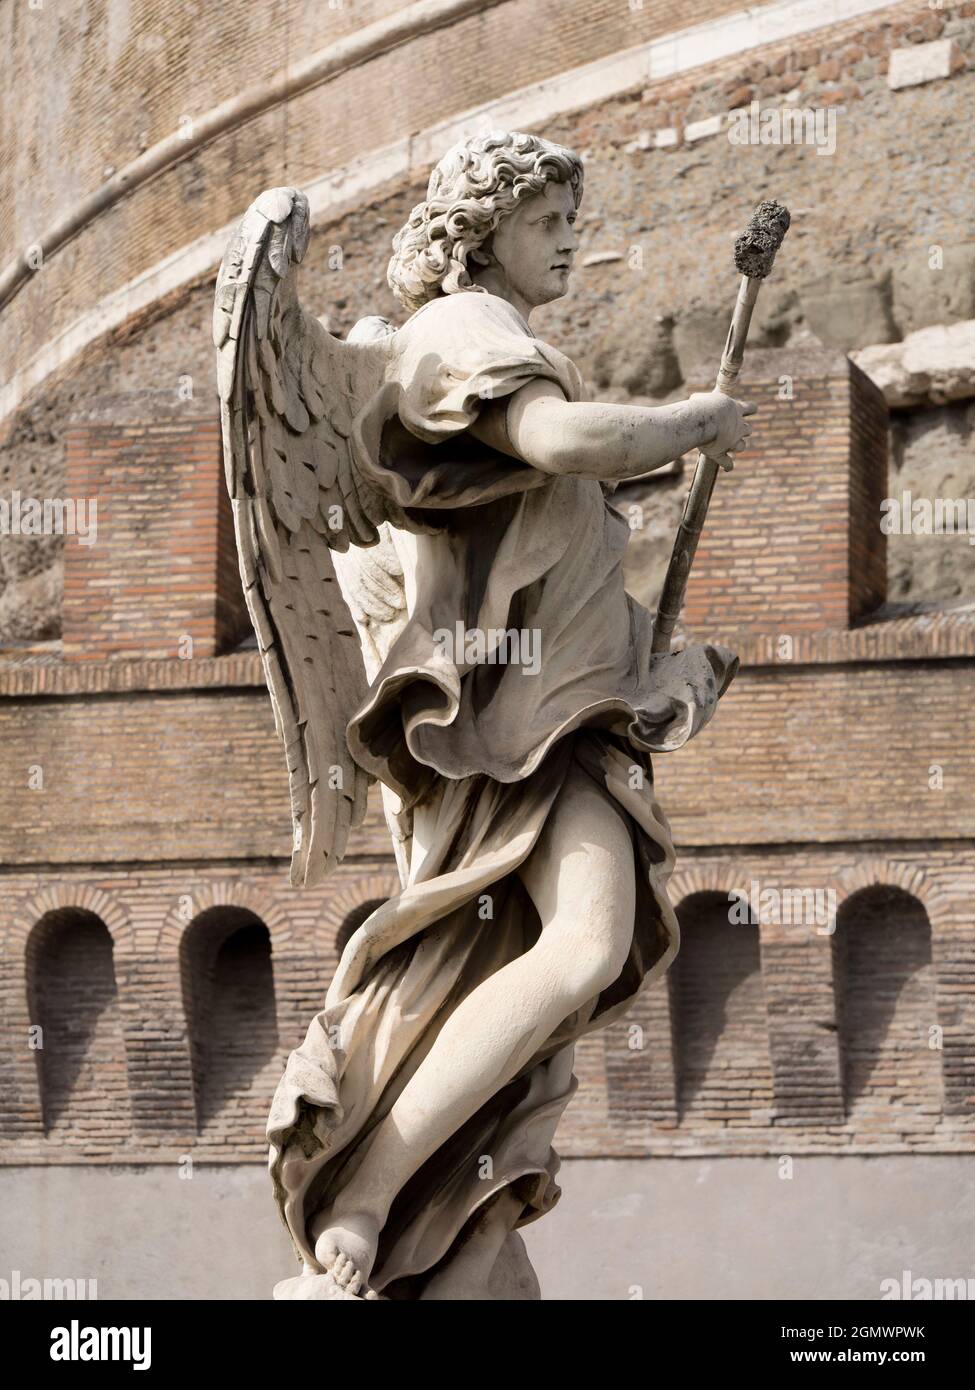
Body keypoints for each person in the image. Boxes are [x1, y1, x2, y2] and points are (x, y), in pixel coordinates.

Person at [268, 130, 755, 1300]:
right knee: (582, 943)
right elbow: (558, 443)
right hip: (514, 723)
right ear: (477, 235)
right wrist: (693, 422)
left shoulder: (515, 343)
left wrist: (660, 669)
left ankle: (416, 1207)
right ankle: (373, 1191)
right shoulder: (462, 333)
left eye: (568, 218)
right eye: (546, 220)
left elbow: (552, 574)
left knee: (546, 1003)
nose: (569, 239)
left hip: (563, 710)